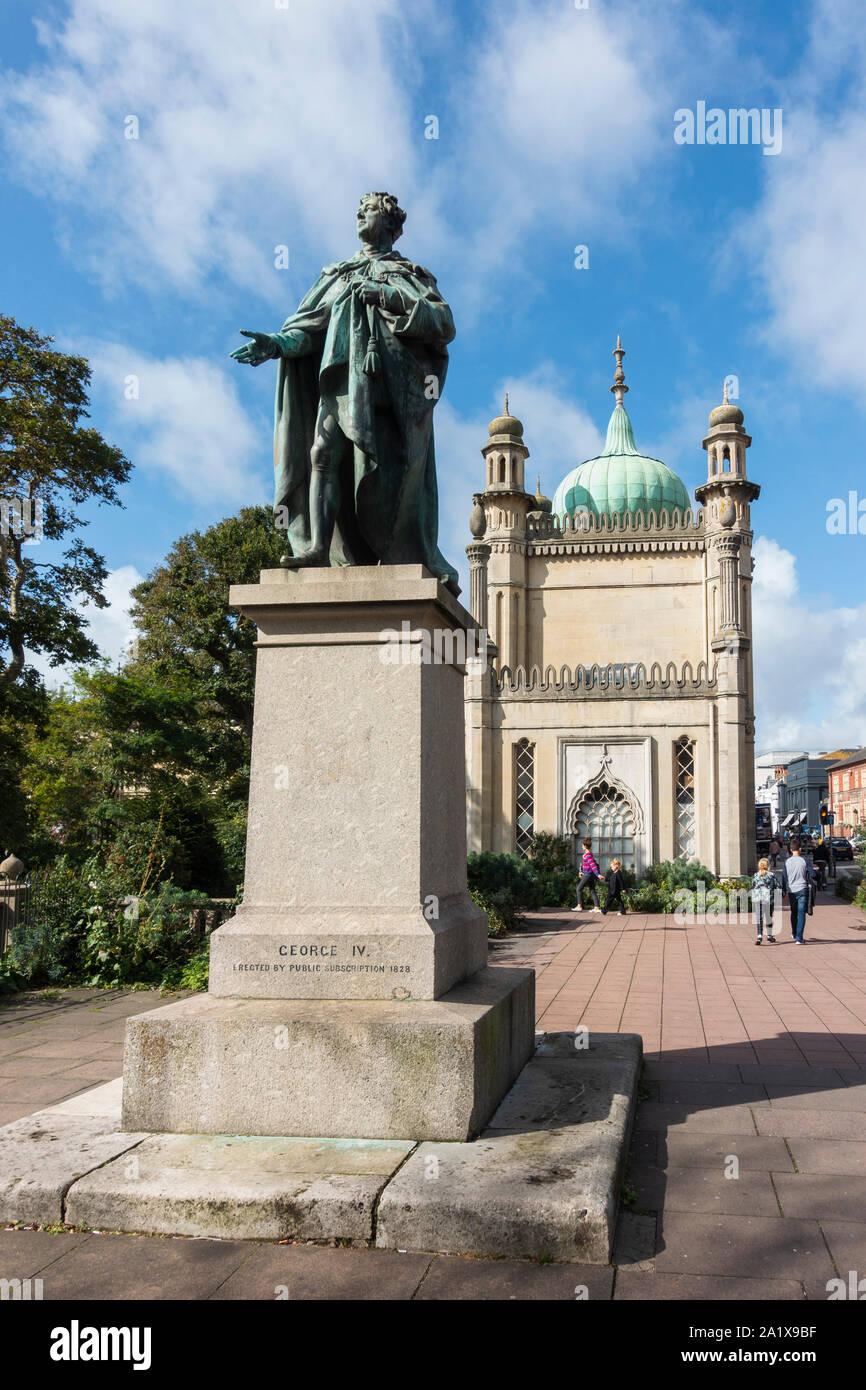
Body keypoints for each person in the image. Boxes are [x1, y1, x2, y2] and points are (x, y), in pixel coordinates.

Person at [781, 838, 817, 945]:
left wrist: (784, 891)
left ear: (790, 850)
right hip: (802, 889)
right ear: (800, 849)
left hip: (791, 890)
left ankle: (794, 932)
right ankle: (799, 938)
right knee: (801, 913)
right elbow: (813, 875)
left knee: (794, 912)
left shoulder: (787, 862)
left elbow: (784, 878)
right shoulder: (804, 860)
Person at [572, 838, 603, 912]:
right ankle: (596, 907)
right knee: (592, 890)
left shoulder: (588, 855)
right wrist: (582, 871)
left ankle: (579, 906)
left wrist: (598, 874)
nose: (582, 846)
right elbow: (587, 865)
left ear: (585, 846)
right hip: (588, 874)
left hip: (588, 875)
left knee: (578, 889)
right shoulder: (587, 855)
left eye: (582, 845)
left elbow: (593, 866)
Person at [751, 858, 777, 944]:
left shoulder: (756, 875)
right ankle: (769, 935)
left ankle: (759, 936)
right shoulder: (771, 875)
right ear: (768, 866)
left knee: (759, 917)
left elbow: (753, 885)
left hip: (758, 899)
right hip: (768, 899)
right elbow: (778, 885)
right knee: (768, 917)